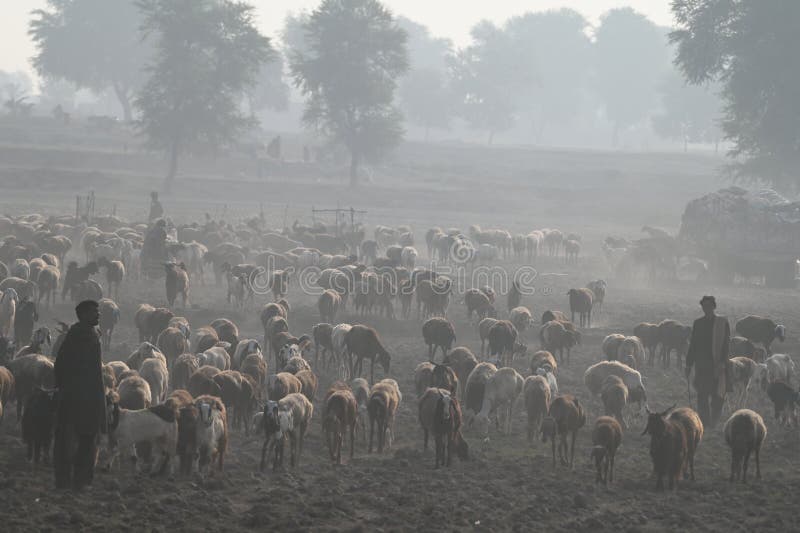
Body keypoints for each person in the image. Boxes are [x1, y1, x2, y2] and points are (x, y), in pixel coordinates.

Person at [53, 300, 106, 491]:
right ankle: (80, 481)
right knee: (84, 439)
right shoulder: (86, 337)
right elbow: (93, 373)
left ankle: (66, 481)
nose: (98, 315)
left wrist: (63, 388)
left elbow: (59, 365)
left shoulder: (76, 335)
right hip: (86, 398)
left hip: (73, 396)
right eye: (94, 312)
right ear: (83, 314)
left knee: (70, 439)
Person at [685, 295, 730, 427]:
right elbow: (693, 345)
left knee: (717, 394)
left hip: (717, 364)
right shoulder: (698, 323)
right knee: (702, 394)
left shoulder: (722, 323)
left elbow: (726, 344)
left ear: (714, 307)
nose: (707, 309)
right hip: (702, 365)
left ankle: (714, 420)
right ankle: (704, 421)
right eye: (704, 306)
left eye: (709, 306)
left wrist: (722, 362)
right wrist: (688, 364)